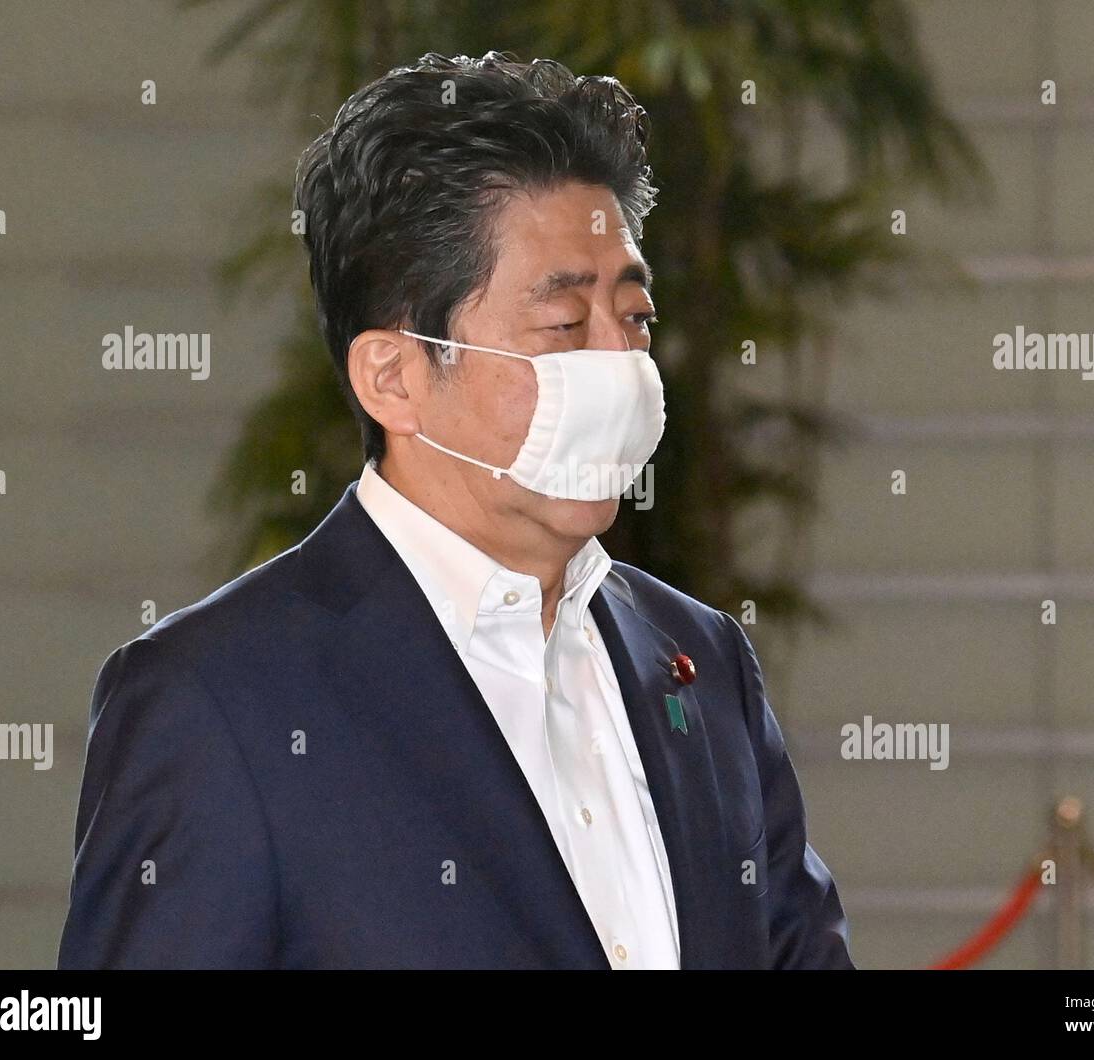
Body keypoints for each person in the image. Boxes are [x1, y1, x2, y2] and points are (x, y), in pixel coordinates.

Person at [57, 51, 854, 970]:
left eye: (634, 322)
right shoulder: (217, 701)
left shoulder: (701, 662)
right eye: (562, 328)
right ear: (393, 377)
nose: (619, 368)